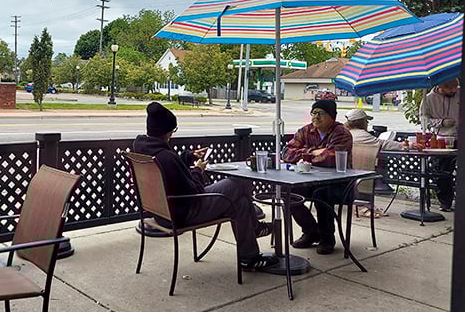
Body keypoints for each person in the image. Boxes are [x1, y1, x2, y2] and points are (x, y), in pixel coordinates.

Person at [133, 102, 278, 271]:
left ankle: (249, 257)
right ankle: (255, 228)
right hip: (185, 212)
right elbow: (194, 190)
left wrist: (189, 156)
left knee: (240, 205)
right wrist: (198, 170)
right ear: (167, 131)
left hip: (163, 212)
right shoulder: (165, 157)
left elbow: (172, 171)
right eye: (173, 130)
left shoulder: (144, 150)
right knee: (239, 182)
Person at [282, 99, 353, 255]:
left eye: (321, 113)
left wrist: (303, 153)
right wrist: (312, 152)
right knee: (287, 192)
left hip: (340, 183)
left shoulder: (341, 133)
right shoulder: (305, 131)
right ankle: (311, 231)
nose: (316, 117)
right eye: (314, 113)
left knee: (321, 194)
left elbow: (330, 158)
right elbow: (286, 153)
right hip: (310, 180)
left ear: (332, 116)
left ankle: (327, 238)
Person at [419, 78, 460, 211]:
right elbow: (425, 119)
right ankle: (445, 202)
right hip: (441, 138)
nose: (453, 91)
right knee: (443, 171)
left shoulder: (460, 94)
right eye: (450, 89)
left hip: (461, 136)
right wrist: (441, 122)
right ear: (440, 87)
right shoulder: (429, 99)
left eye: (455, 88)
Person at [343, 109, 408, 151]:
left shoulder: (344, 132)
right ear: (361, 122)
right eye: (366, 121)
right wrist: (404, 145)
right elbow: (383, 144)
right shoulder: (363, 135)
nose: (368, 123)